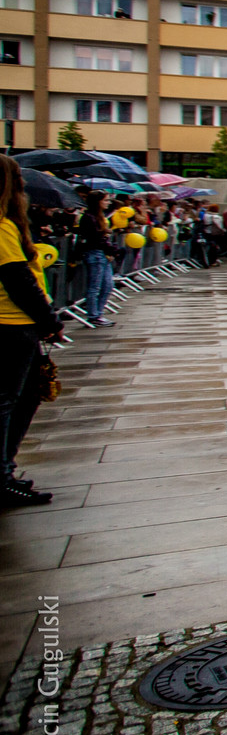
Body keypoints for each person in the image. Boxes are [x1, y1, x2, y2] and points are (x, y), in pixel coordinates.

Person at [0, 157, 64, 508]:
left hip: (16, 324)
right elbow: (18, 279)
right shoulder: (2, 227)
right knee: (10, 401)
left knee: (21, 398)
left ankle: (6, 471)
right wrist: (49, 320)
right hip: (11, 325)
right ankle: (2, 476)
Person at [75, 190, 118, 327]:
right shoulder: (89, 217)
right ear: (97, 202)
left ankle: (98, 313)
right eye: (105, 200)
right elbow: (94, 238)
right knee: (95, 287)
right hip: (95, 254)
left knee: (107, 285)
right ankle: (94, 315)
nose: (108, 203)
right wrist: (109, 247)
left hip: (102, 254)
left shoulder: (98, 217)